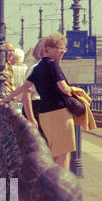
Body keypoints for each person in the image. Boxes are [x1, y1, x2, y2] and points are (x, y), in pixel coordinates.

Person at [14, 33, 78, 166]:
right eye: (60, 48)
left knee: (52, 151)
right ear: (46, 50)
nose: (63, 52)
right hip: (47, 110)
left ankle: (52, 180)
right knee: (61, 152)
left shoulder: (38, 67)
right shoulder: (45, 66)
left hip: (43, 110)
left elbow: (23, 89)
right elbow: (27, 93)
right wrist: (31, 118)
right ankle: (59, 182)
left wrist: (6, 99)